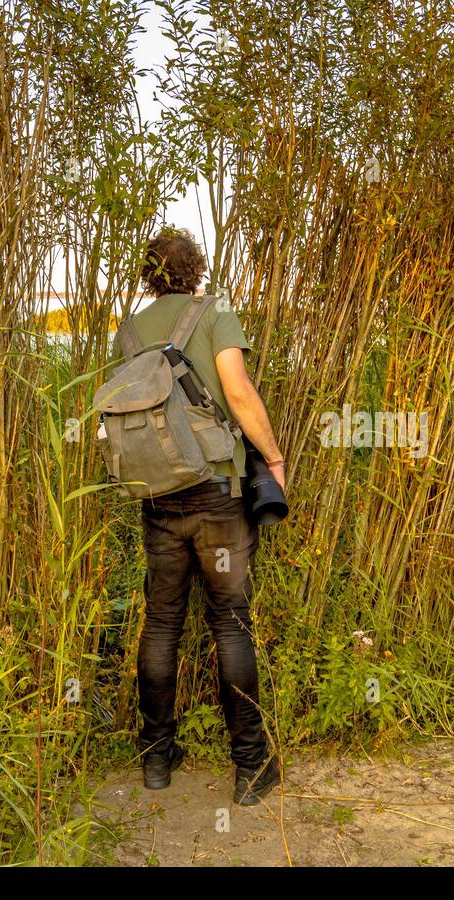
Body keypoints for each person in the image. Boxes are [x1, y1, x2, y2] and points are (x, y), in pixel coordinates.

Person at [115, 226, 285, 806]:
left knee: (162, 623)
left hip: (158, 495)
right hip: (217, 490)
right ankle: (250, 766)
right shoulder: (215, 313)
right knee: (229, 622)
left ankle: (156, 758)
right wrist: (275, 456)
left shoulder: (130, 330)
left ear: (148, 274)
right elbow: (237, 393)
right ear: (197, 270)